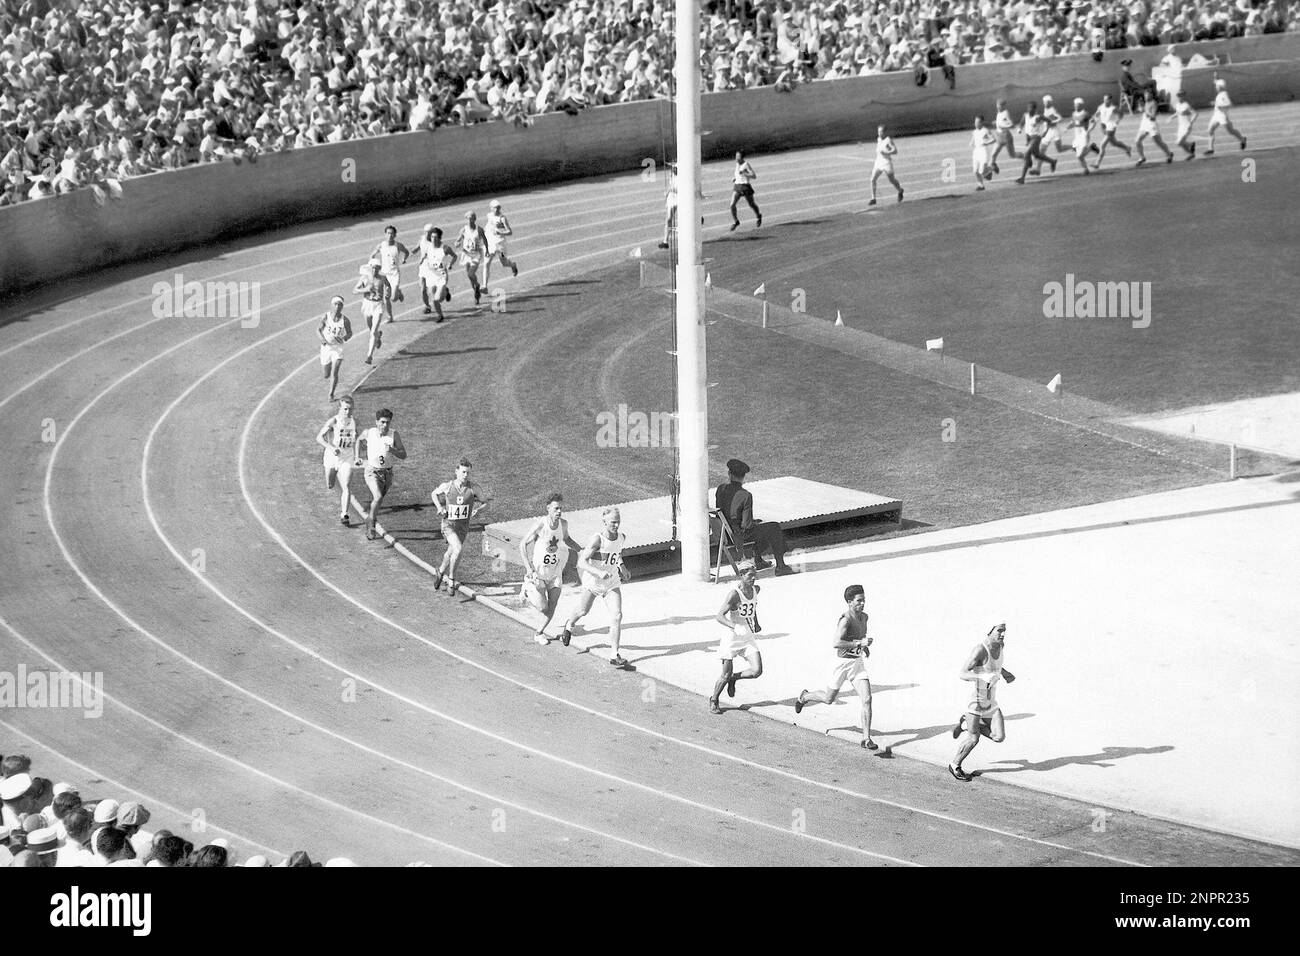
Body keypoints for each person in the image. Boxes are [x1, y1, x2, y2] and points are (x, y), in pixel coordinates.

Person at [794, 584, 880, 751]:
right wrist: (859, 643)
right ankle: (805, 696)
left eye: (864, 600)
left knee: (867, 698)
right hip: (841, 664)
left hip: (856, 663)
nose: (862, 604)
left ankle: (866, 738)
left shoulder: (865, 617)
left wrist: (864, 646)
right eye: (859, 601)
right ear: (849, 602)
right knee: (828, 699)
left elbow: (859, 636)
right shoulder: (845, 620)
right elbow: (836, 643)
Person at [560, 506, 632, 669]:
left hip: (611, 583)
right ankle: (569, 625)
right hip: (593, 583)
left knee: (617, 615)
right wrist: (599, 573)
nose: (616, 525)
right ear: (604, 521)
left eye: (618, 522)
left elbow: (617, 553)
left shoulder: (621, 537)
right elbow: (582, 562)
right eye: (613, 522)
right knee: (582, 611)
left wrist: (622, 567)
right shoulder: (597, 539)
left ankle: (614, 654)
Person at [948, 623, 1017, 781]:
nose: (1002, 634)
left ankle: (968, 724)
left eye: (1004, 631)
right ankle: (955, 765)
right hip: (976, 703)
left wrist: (1005, 674)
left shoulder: (1000, 647)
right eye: (999, 630)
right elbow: (963, 673)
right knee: (973, 739)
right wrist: (982, 677)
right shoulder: (980, 649)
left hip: (991, 703)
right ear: (990, 630)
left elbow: (994, 665)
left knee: (999, 737)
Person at [714, 458, 794, 575]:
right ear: (743, 477)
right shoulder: (746, 495)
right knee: (774, 528)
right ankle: (780, 566)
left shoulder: (721, 489)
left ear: (729, 474)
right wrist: (754, 523)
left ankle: (759, 560)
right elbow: (746, 525)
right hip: (738, 536)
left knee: (763, 529)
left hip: (724, 533)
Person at [520, 492, 581, 644]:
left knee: (553, 604)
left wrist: (581, 549)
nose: (559, 512)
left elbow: (567, 539)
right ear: (548, 508)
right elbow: (522, 544)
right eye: (556, 509)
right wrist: (528, 568)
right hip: (539, 573)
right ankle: (527, 588)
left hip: (555, 572)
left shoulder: (563, 524)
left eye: (561, 508)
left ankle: (539, 633)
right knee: (543, 608)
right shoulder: (541, 525)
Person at [709, 563, 763, 715]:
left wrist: (756, 624)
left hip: (747, 636)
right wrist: (733, 626)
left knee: (757, 671)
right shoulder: (734, 594)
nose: (753, 579)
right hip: (732, 637)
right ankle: (714, 699)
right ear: (741, 575)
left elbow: (753, 608)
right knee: (724, 675)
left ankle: (734, 679)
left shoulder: (756, 589)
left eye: (755, 575)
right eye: (750, 576)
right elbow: (719, 616)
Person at [431, 458, 490, 596]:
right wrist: (439, 507)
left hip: (463, 528)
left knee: (451, 552)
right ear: (456, 471)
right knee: (458, 548)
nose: (465, 475)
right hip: (448, 525)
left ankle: (440, 572)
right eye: (463, 472)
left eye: (468, 473)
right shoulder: (448, 486)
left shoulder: (473, 488)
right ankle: (451, 579)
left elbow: (486, 503)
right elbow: (434, 494)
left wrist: (479, 510)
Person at [356, 408, 407, 540]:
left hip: (387, 473)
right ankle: (371, 525)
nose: (385, 425)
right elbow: (358, 441)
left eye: (388, 422)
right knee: (378, 497)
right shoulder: (369, 433)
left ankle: (371, 517)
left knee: (378, 500)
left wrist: (392, 450)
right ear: (376, 422)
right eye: (383, 422)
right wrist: (357, 457)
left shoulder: (394, 435)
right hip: (372, 471)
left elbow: (403, 455)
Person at [316, 395, 359, 526]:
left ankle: (344, 514)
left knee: (346, 485)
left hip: (347, 456)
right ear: (339, 408)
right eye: (345, 409)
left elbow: (355, 439)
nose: (348, 412)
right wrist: (331, 447)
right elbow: (319, 438)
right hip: (331, 457)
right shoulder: (333, 421)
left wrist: (357, 455)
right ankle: (332, 477)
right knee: (330, 484)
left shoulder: (353, 422)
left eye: (350, 409)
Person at [316, 295, 352, 402]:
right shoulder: (325, 317)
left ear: (342, 306)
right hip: (326, 348)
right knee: (326, 374)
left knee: (334, 372)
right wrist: (322, 340)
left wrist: (344, 337)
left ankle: (331, 394)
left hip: (338, 348)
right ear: (332, 305)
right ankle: (328, 377)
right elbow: (318, 330)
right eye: (335, 304)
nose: (338, 306)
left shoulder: (345, 320)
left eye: (340, 304)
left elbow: (350, 333)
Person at [416, 224, 456, 321]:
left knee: (438, 299)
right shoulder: (428, 247)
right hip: (431, 276)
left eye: (435, 237)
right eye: (432, 237)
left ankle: (445, 291)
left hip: (441, 276)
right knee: (433, 298)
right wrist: (421, 259)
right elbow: (424, 254)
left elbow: (454, 256)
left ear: (439, 238)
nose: (433, 239)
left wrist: (450, 264)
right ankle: (440, 315)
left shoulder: (445, 248)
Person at [353, 262, 389, 366]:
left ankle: (369, 356)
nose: (374, 270)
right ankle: (378, 336)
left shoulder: (382, 278)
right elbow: (354, 290)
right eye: (373, 268)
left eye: (376, 268)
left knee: (373, 331)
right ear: (370, 268)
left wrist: (388, 292)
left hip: (378, 305)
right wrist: (365, 289)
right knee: (371, 329)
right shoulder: (364, 278)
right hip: (367, 305)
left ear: (379, 269)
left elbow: (388, 286)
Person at [372, 225, 411, 322]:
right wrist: (372, 264)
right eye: (388, 233)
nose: (390, 235)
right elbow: (372, 255)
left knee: (394, 298)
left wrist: (404, 259)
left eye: (392, 233)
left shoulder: (398, 245)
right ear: (385, 234)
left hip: (394, 274)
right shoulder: (381, 245)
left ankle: (398, 291)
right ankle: (390, 317)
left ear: (395, 235)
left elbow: (406, 252)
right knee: (386, 297)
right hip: (385, 274)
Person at [1014, 101, 1056, 184]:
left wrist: (1045, 131)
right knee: (1037, 155)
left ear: (1034, 109)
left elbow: (1049, 121)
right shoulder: (1025, 115)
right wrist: (1019, 129)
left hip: (1036, 138)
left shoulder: (1038, 117)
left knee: (1027, 154)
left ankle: (1022, 178)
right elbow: (1021, 123)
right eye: (1028, 108)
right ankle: (1052, 161)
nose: (1029, 110)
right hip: (1029, 139)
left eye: (1031, 108)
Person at [483, 199, 519, 293]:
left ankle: (512, 265)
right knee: (486, 263)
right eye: (495, 207)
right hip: (491, 244)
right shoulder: (489, 216)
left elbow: (509, 231)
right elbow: (488, 225)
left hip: (500, 245)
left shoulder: (502, 218)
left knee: (504, 262)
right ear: (491, 208)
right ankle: (484, 286)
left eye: (499, 207)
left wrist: (500, 232)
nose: (498, 209)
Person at [455, 211, 490, 306]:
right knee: (470, 277)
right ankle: (476, 293)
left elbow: (485, 239)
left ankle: (477, 285)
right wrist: (457, 243)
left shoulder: (479, 230)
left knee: (471, 273)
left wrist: (487, 250)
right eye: (468, 218)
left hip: (476, 254)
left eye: (471, 218)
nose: (469, 220)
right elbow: (458, 239)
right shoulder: (463, 229)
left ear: (475, 219)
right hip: (466, 254)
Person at [1205, 78, 1247, 154]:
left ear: (1220, 87)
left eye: (1217, 86)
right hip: (1216, 115)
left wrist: (1216, 104)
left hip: (1222, 116)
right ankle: (1210, 149)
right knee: (1210, 130)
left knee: (1231, 131)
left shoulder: (1223, 95)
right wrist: (1215, 81)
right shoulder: (1220, 94)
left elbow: (1229, 104)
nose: (1216, 87)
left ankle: (1242, 139)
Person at [1093, 93, 1132, 169]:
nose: (1105, 101)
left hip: (1111, 127)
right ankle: (1127, 148)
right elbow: (1096, 114)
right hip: (1104, 127)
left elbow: (1121, 114)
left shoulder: (1113, 108)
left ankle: (1097, 163)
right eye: (1104, 99)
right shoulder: (1100, 107)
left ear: (1110, 100)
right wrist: (1094, 118)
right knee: (1114, 143)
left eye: (1107, 99)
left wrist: (1117, 121)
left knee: (1102, 145)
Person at [1134, 93, 1174, 166]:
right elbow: (1141, 110)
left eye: (1147, 96)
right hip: (1144, 123)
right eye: (1145, 96)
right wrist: (1140, 107)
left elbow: (1153, 116)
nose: (1145, 97)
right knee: (1137, 141)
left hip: (1151, 124)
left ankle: (1169, 154)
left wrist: (1145, 111)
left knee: (1158, 141)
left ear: (1151, 96)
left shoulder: (1153, 103)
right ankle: (1142, 157)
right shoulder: (1145, 102)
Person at [868, 126, 904, 205]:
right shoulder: (878, 139)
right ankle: (873, 198)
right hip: (878, 162)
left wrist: (886, 153)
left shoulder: (888, 140)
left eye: (881, 132)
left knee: (892, 180)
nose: (879, 133)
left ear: (885, 132)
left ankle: (900, 190)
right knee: (872, 179)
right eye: (878, 132)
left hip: (886, 162)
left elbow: (895, 151)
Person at [728, 150, 761, 231]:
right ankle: (736, 221)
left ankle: (758, 216)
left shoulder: (746, 164)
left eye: (738, 156)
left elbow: (754, 176)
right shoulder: (737, 164)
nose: (736, 158)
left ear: (742, 157)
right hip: (737, 186)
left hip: (745, 186)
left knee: (751, 204)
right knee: (732, 205)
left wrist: (744, 173)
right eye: (736, 156)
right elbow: (738, 174)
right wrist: (735, 178)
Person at [990, 99, 1018, 173]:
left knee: (1012, 155)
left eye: (1001, 105)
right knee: (993, 155)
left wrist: (1004, 127)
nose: (999, 106)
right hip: (999, 137)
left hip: (1006, 137)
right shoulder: (999, 113)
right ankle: (992, 167)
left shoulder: (1006, 113)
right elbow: (1001, 122)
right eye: (998, 105)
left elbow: (1012, 125)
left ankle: (1025, 157)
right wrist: (996, 122)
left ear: (1004, 106)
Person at [970, 115, 996, 191]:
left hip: (983, 151)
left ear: (981, 123)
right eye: (975, 122)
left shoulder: (985, 131)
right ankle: (981, 185)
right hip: (976, 152)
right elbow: (973, 140)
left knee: (982, 171)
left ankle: (991, 168)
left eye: (977, 122)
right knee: (975, 171)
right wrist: (971, 143)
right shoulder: (974, 132)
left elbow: (994, 139)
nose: (975, 124)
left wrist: (986, 143)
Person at [1171, 90, 1198, 159]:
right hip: (1180, 126)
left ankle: (1191, 152)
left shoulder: (1186, 105)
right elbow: (1178, 113)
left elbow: (1195, 113)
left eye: (1181, 95)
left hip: (1186, 126)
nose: (1179, 97)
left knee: (1179, 142)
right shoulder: (1177, 105)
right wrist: (1171, 117)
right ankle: (1191, 146)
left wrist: (1191, 122)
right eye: (1178, 96)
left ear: (1183, 96)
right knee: (1179, 143)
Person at [658, 162, 676, 249]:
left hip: (680, 197)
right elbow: (671, 185)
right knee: (668, 219)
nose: (673, 169)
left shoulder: (684, 175)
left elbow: (673, 186)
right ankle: (665, 241)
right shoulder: (671, 174)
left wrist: (668, 191)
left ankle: (699, 217)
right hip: (672, 198)